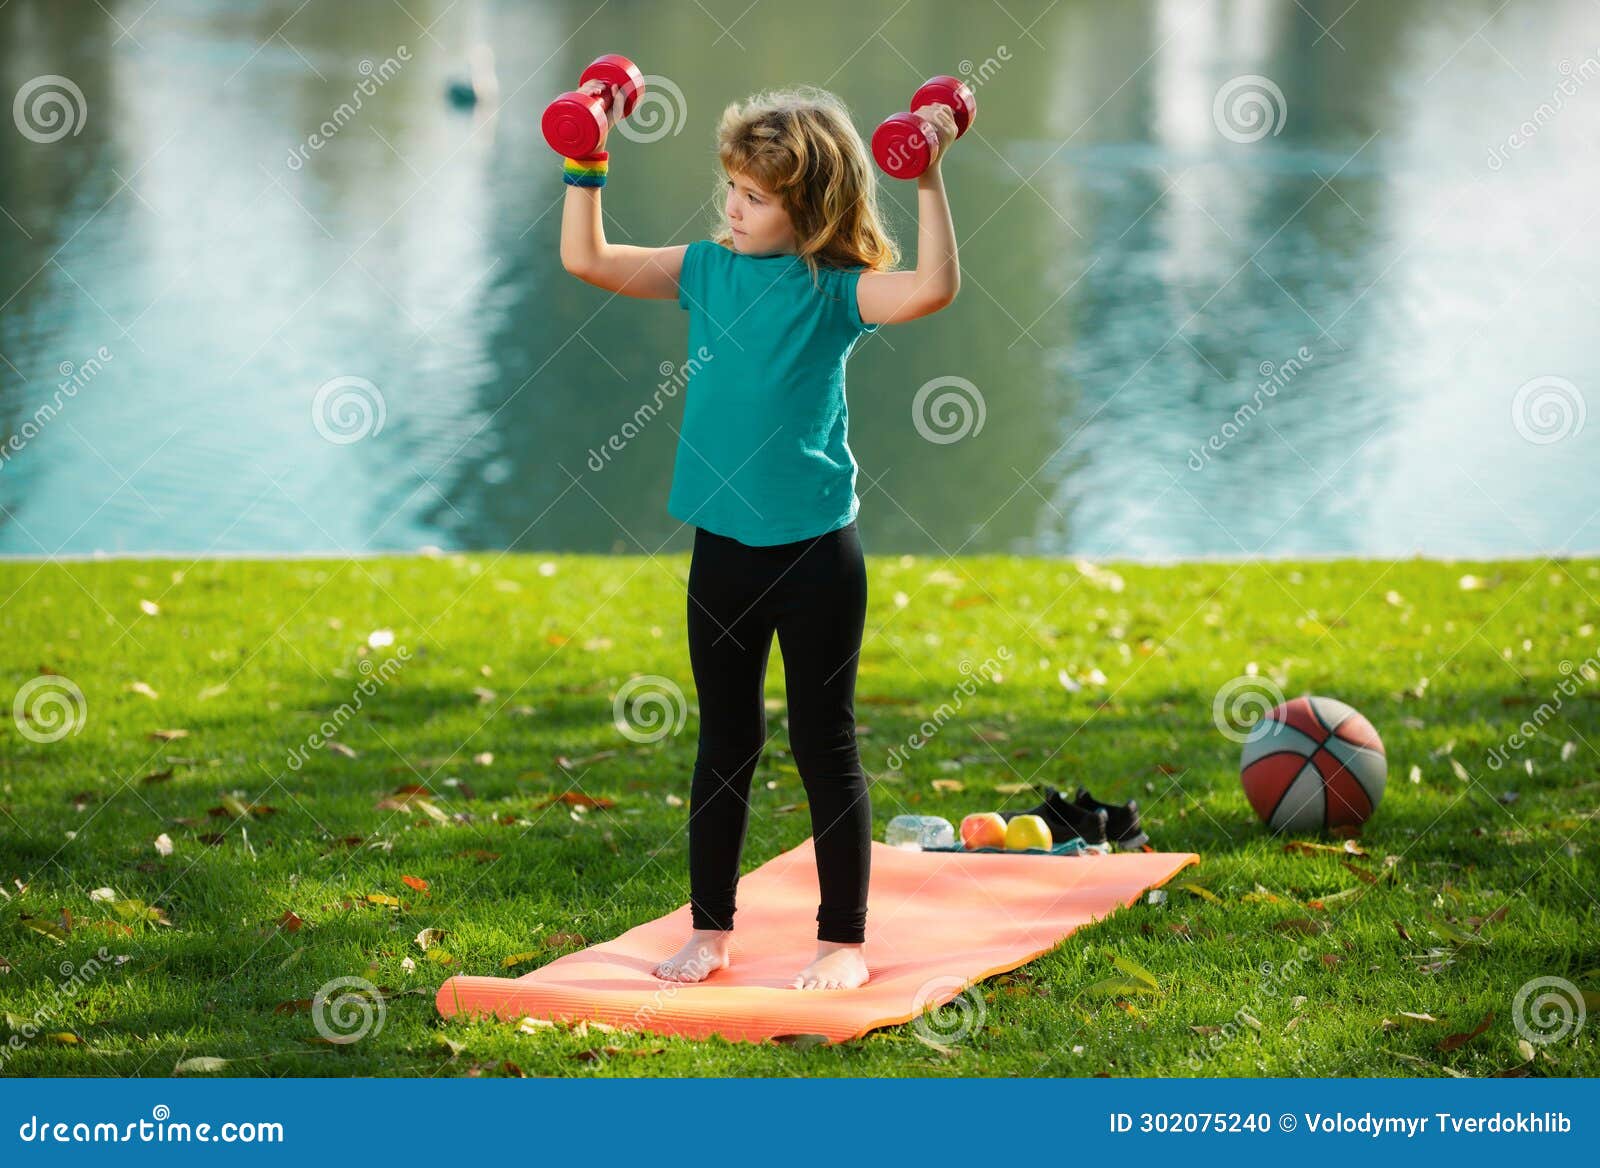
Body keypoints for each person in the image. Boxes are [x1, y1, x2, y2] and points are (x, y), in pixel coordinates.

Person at [558, 85, 960, 990]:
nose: (733, 207)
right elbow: (586, 258)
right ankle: (709, 932)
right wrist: (586, 159)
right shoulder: (705, 268)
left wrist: (930, 177)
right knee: (724, 742)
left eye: (757, 197)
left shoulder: (834, 292)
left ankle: (843, 943)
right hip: (723, 552)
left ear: (809, 210)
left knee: (825, 746)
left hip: (818, 554)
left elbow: (934, 287)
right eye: (732, 187)